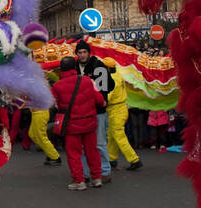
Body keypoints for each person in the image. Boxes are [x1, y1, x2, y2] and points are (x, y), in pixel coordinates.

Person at [51, 55, 106, 190]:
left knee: (74, 154)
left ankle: (79, 181)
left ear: (61, 69)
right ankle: (97, 178)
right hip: (89, 122)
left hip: (71, 125)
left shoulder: (57, 86)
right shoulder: (87, 81)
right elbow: (100, 100)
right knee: (92, 151)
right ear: (74, 67)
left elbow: (54, 105)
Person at [75, 39, 113, 182]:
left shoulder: (98, 66)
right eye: (80, 52)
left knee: (100, 143)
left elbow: (105, 88)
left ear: (89, 53)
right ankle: (85, 173)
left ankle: (105, 172)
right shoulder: (75, 67)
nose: (82, 55)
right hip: (81, 112)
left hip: (98, 111)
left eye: (85, 52)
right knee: (84, 145)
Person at [104, 58, 142, 171]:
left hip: (116, 110)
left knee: (119, 136)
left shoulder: (111, 80)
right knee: (111, 136)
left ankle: (134, 160)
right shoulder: (117, 75)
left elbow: (107, 97)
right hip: (119, 109)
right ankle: (112, 160)